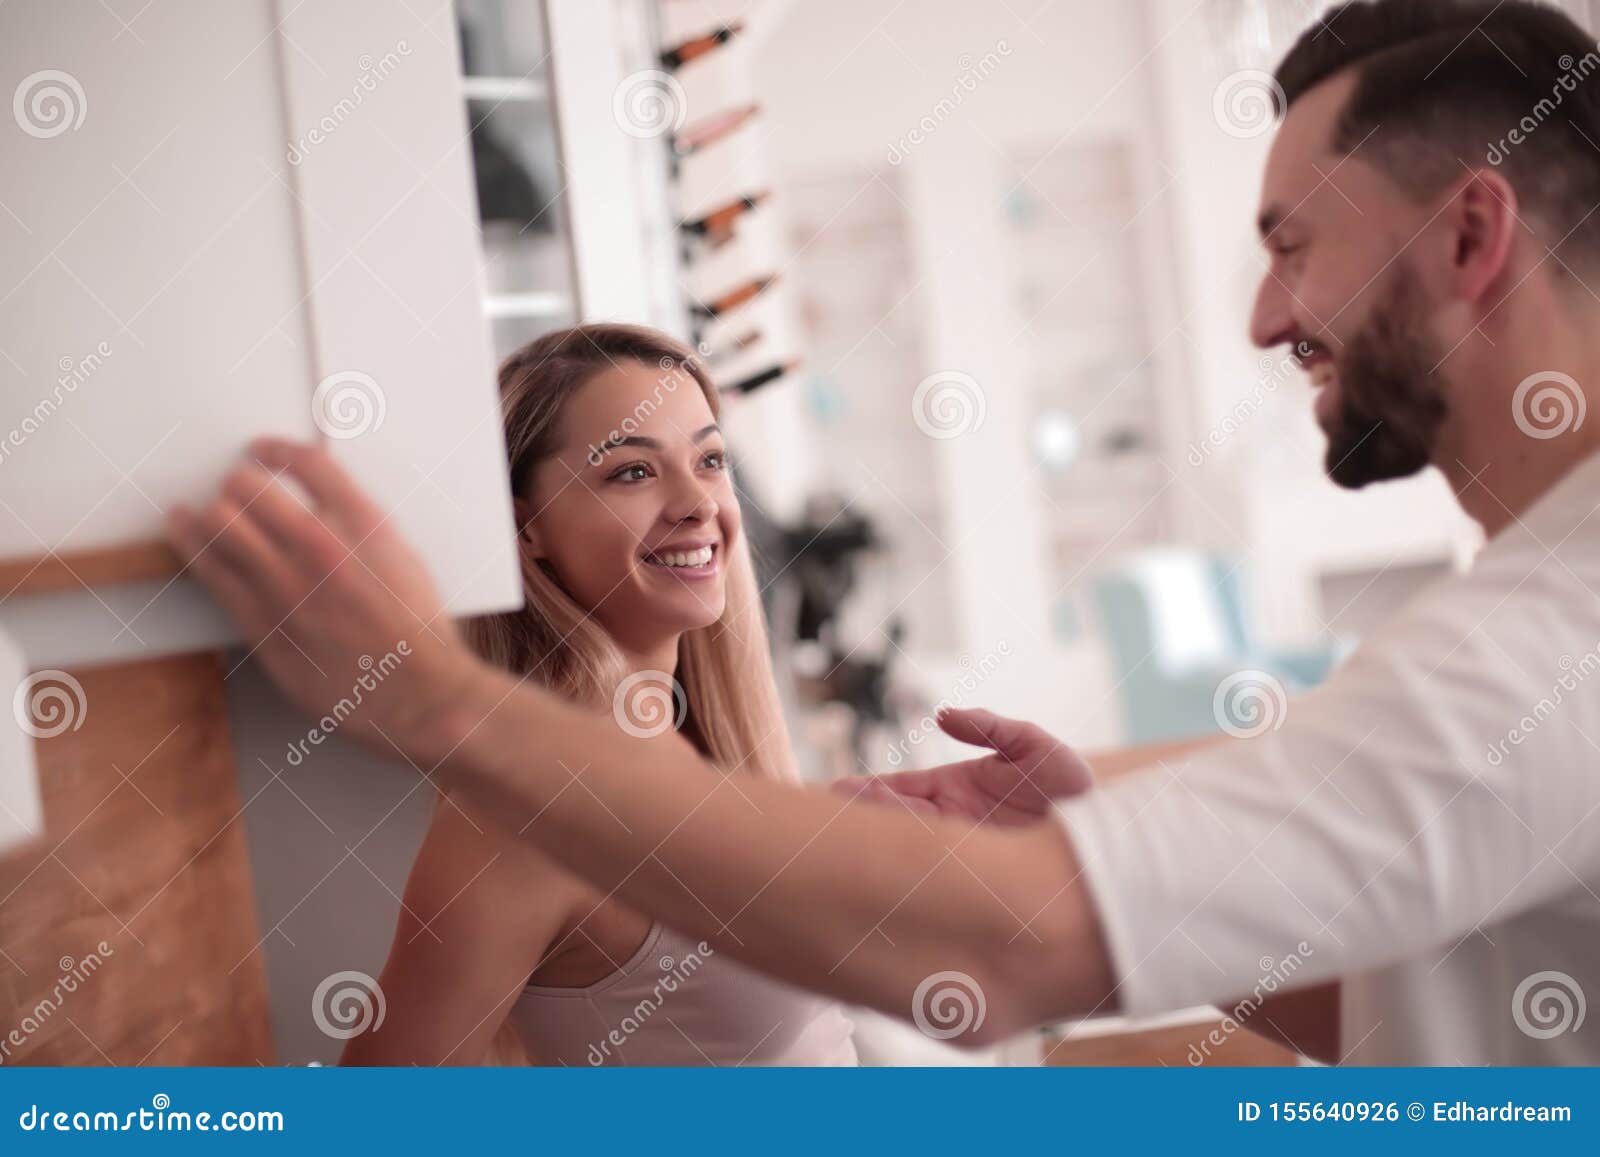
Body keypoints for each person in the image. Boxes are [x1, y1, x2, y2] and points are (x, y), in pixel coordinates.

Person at [169, 0, 1600, 1065]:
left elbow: (1003, 948)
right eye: (625, 469)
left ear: (1470, 238)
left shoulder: (1540, 648)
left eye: (1292, 244)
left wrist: (423, 695)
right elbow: (1414, 996)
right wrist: (1093, 824)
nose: (1266, 316)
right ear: (529, 530)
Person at [339, 324, 857, 1066]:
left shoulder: (708, 746)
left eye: (709, 460)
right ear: (526, 528)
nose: (696, 503)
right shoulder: (531, 814)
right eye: (632, 473)